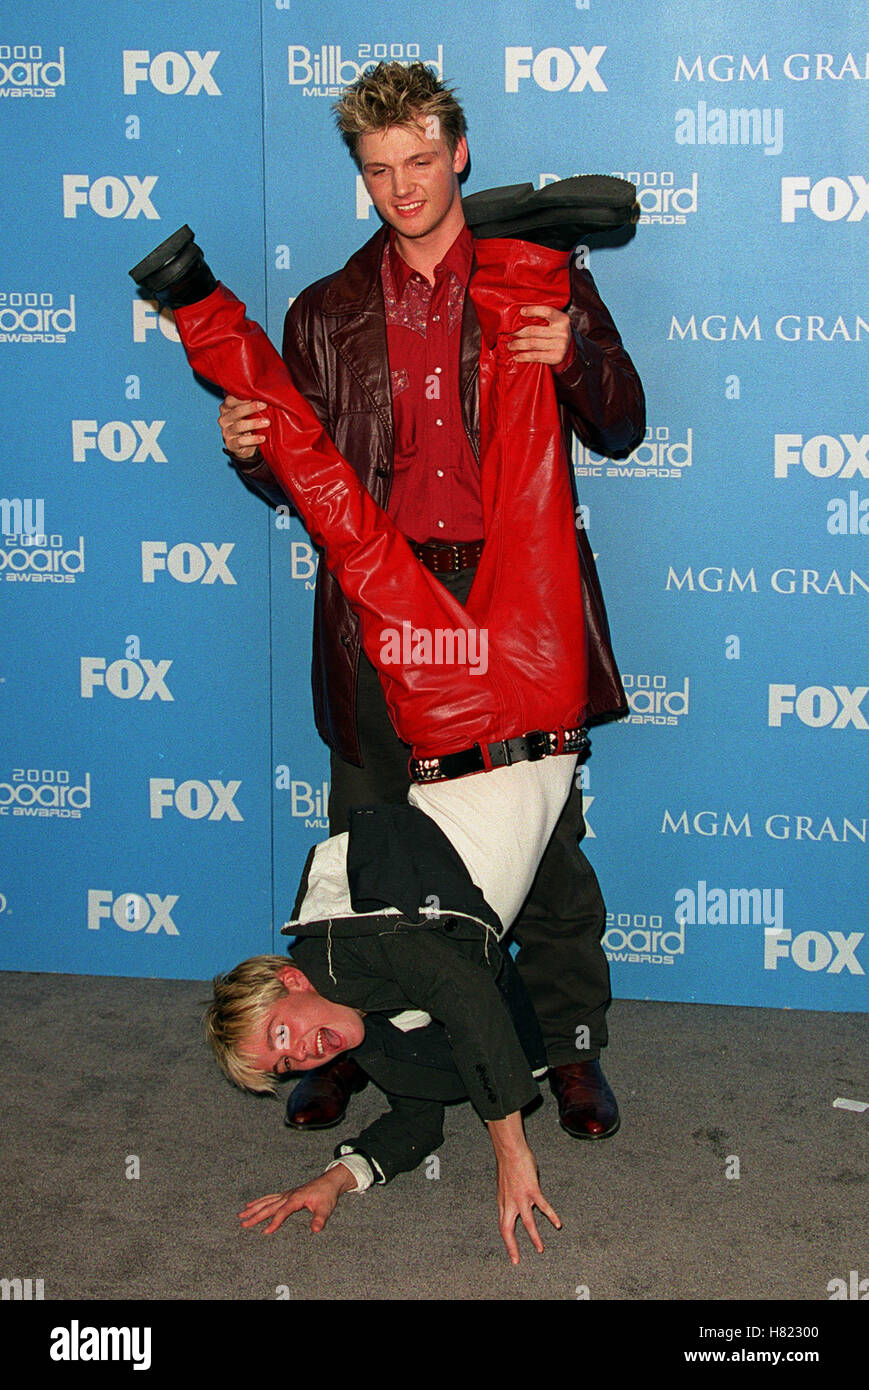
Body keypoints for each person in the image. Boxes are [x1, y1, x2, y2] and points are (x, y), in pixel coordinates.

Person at [218, 62, 644, 1142]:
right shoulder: (323, 310)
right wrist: (252, 453)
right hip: (377, 590)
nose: (402, 188)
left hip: (510, 590)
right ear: (358, 176)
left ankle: (569, 1043)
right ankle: (354, 1043)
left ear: (457, 153)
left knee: (539, 837)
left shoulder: (531, 274)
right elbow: (302, 463)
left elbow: (622, 420)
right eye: (377, 169)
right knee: (365, 828)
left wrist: (575, 353)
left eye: (419, 160)